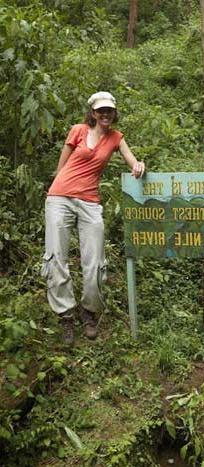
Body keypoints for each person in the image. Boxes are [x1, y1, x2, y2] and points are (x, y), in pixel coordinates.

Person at [42, 91, 145, 346]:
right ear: (93, 113)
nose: (105, 114)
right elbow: (62, 165)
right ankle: (65, 314)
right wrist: (53, 191)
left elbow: (132, 161)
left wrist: (138, 166)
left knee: (95, 261)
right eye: (101, 111)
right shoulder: (77, 130)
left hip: (90, 202)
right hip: (60, 197)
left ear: (114, 113)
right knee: (56, 257)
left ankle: (88, 311)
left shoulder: (116, 138)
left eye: (109, 110)